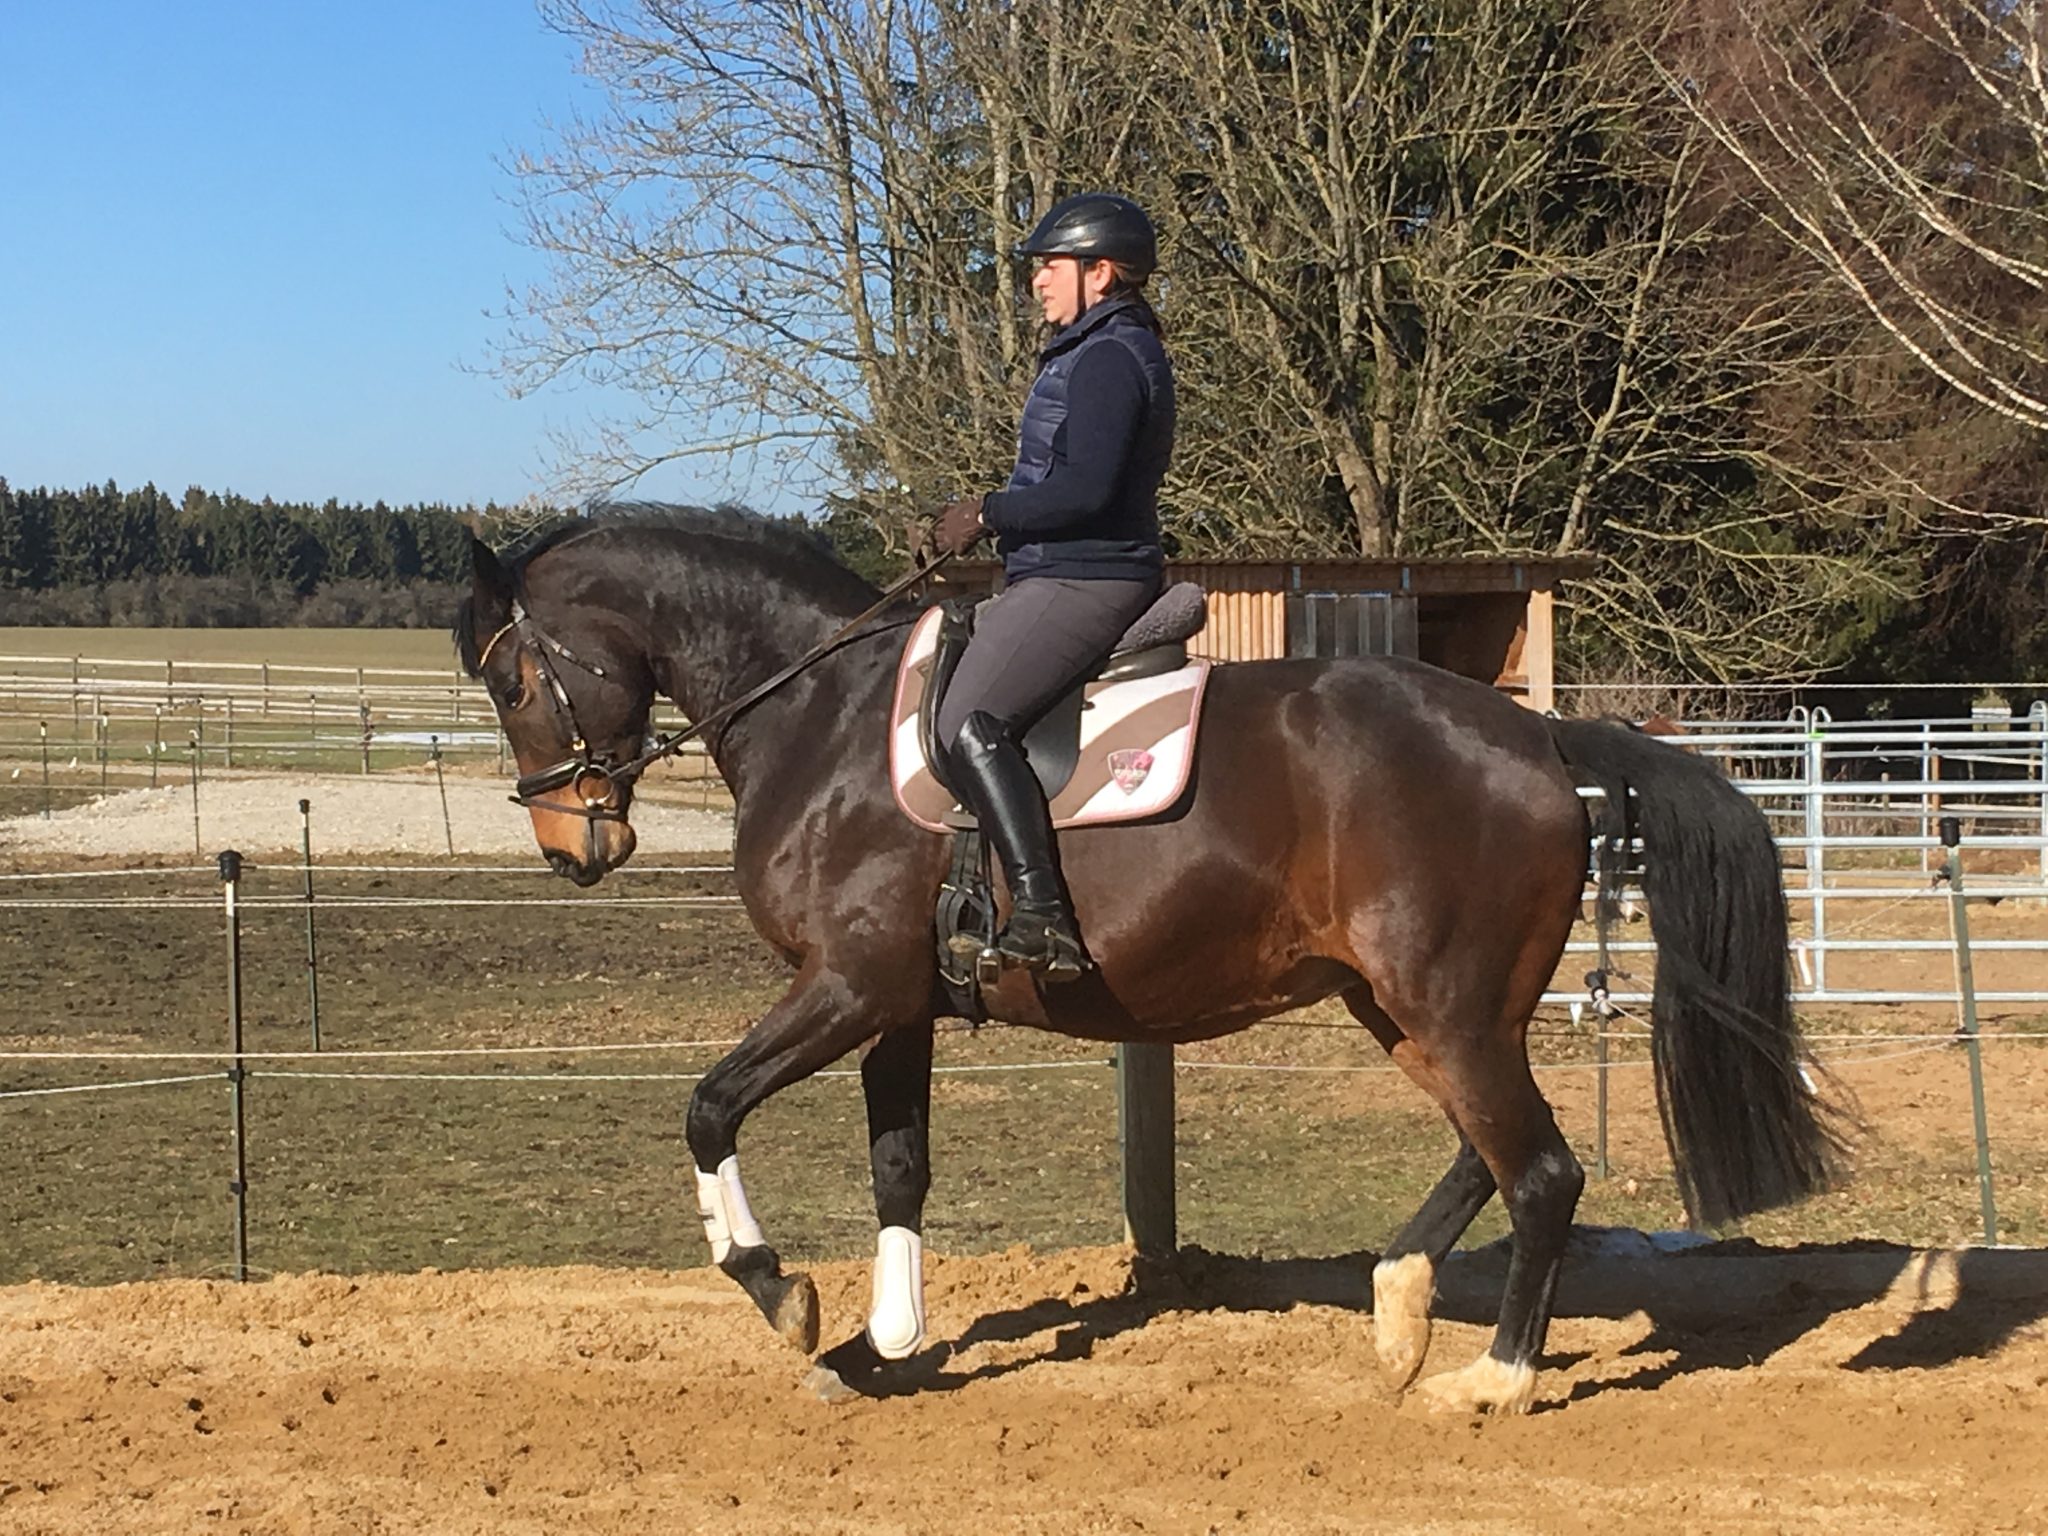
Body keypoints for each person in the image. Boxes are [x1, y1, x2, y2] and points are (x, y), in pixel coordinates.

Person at [930, 192, 1175, 981]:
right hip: (1064, 568)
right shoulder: (1093, 348)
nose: (1037, 280)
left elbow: (1086, 491)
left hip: (1087, 575)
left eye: (1050, 265)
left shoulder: (1107, 357)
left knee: (968, 720)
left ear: (1099, 272)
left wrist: (986, 512)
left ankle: (1042, 915)